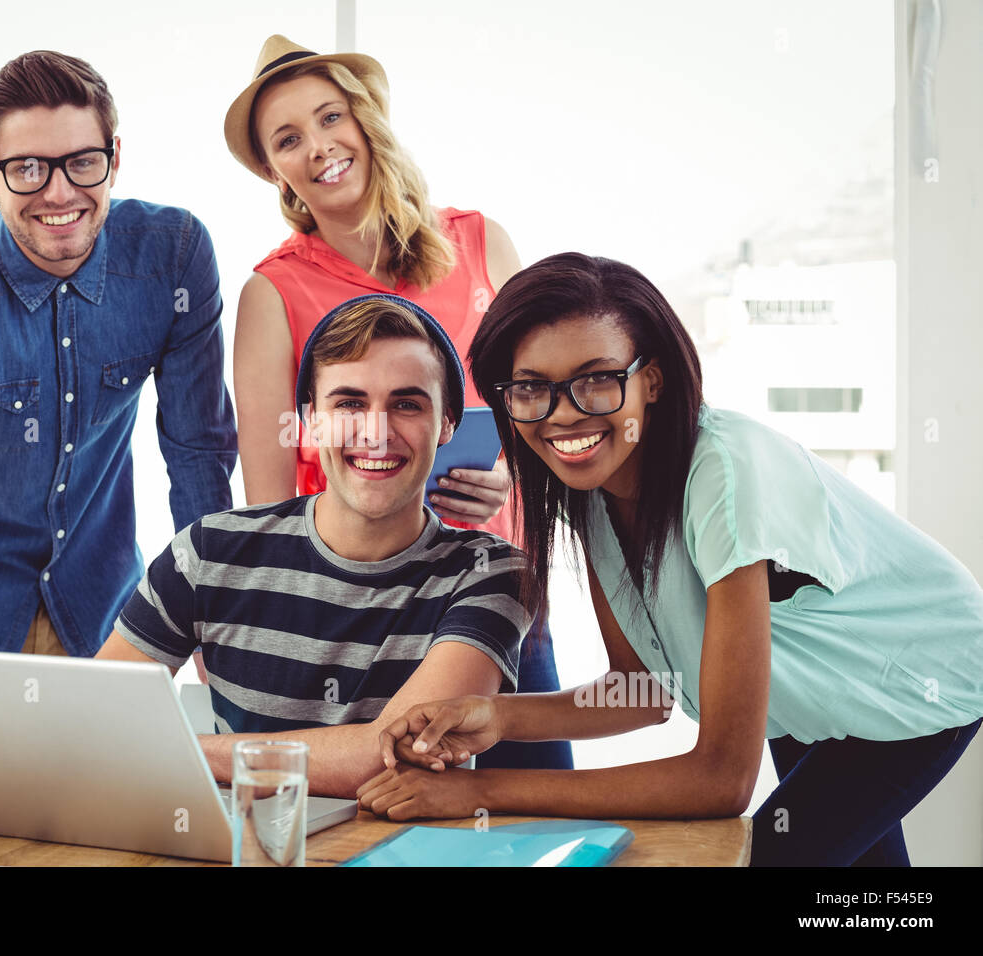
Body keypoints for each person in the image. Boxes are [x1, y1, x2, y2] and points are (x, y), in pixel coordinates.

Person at [357, 252, 983, 866]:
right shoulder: (590, 489)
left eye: (597, 380)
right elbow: (642, 692)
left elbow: (720, 781)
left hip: (922, 666)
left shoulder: (725, 475)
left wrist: (480, 790)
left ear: (651, 380)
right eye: (531, 388)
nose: (564, 413)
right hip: (813, 695)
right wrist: (495, 716)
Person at [0, 51, 236, 780]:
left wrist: (217, 630)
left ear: (115, 157)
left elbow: (198, 459)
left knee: (110, 826)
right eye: (27, 168)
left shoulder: (175, 256)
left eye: (82, 162)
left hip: (105, 630)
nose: (59, 192)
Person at [224, 34, 570, 770]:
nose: (318, 147)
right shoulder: (272, 293)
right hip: (363, 619)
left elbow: (547, 410)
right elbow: (270, 507)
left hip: (502, 592)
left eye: (329, 117)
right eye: (288, 139)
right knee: (383, 808)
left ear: (366, 119)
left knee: (538, 806)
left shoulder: (483, 244)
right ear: (274, 170)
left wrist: (510, 475)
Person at [95, 295, 529, 798]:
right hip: (244, 838)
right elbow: (95, 717)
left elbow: (385, 755)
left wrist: (178, 752)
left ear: (448, 421)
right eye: (349, 404)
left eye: (406, 404)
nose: (376, 433)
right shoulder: (208, 551)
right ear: (311, 419)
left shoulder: (490, 574)